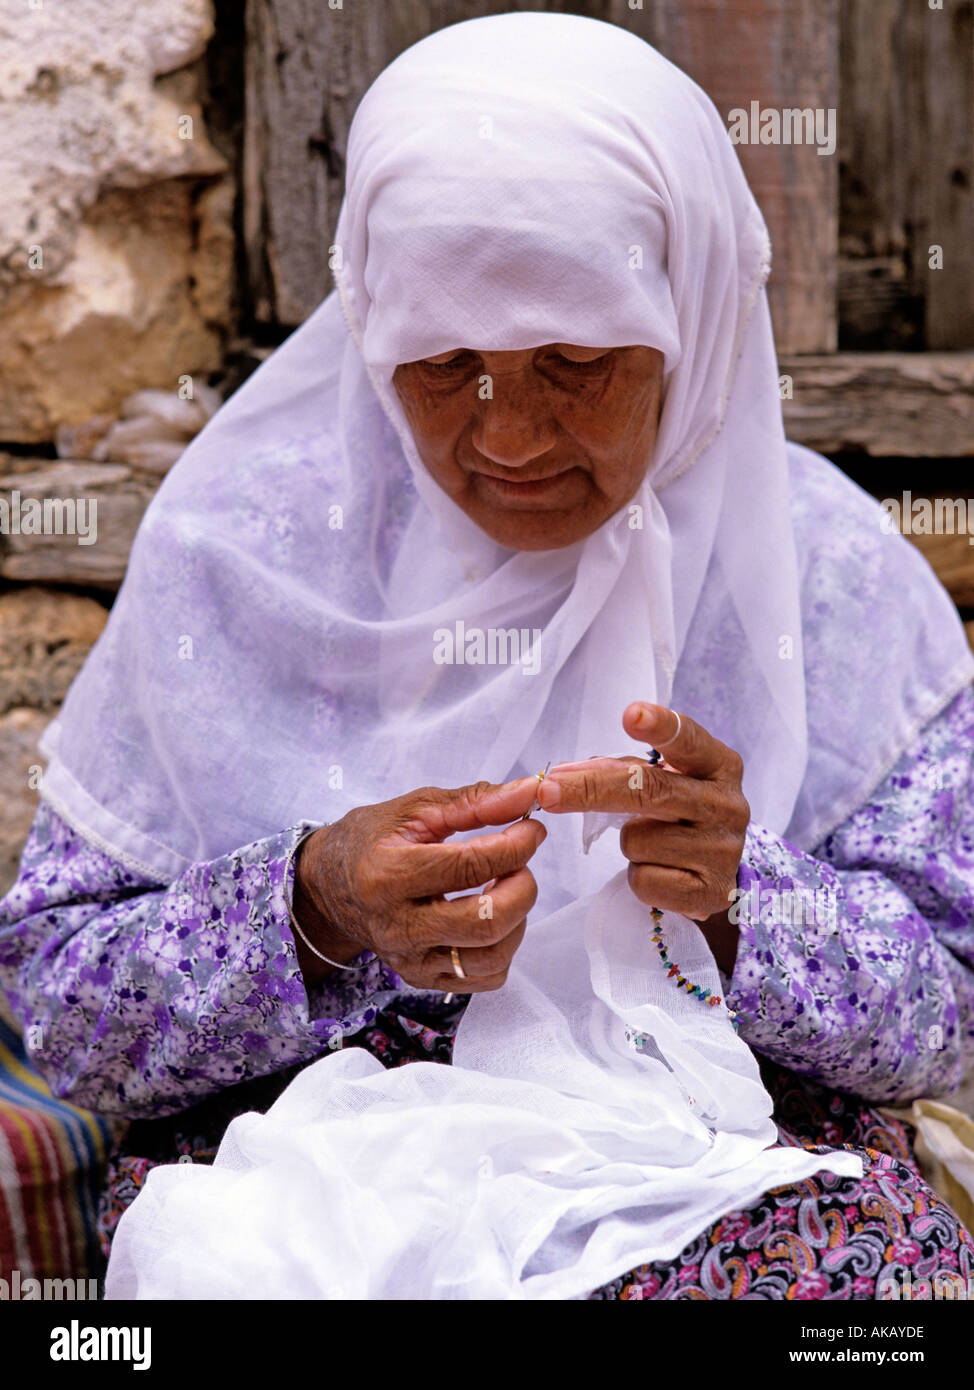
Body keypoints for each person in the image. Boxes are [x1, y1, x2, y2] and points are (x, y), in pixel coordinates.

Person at [2, 12, 973, 1300]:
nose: (504, 432)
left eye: (573, 363)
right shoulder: (244, 548)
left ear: (689, 324)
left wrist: (742, 898)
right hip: (306, 1162)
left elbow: (946, 1023)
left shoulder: (829, 578)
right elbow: (62, 1019)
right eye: (443, 360)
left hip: (721, 1155)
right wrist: (318, 905)